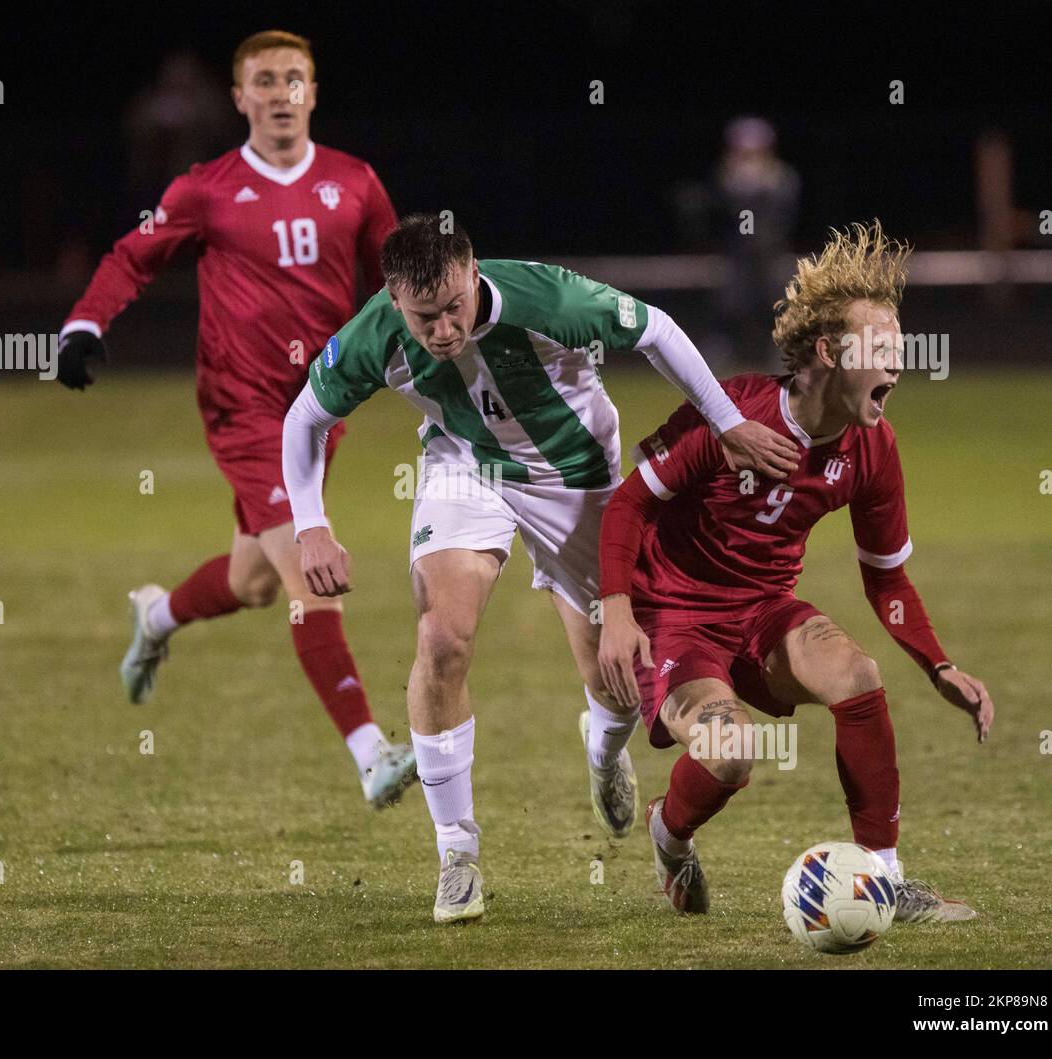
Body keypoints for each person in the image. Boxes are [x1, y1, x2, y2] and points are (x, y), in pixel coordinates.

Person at [282, 213, 800, 922]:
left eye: (454, 307)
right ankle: (456, 853)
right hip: (464, 469)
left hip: (575, 477)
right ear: (395, 300)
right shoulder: (378, 331)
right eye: (423, 316)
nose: (441, 329)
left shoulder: (547, 299)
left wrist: (724, 421)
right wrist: (311, 526)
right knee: (441, 637)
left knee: (614, 675)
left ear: (472, 273)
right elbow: (303, 417)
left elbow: (654, 329)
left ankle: (603, 744)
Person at [596, 222, 995, 922]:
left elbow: (887, 578)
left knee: (858, 674)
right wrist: (618, 611)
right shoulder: (733, 414)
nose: (896, 365)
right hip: (677, 620)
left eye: (899, 348)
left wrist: (938, 664)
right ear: (826, 352)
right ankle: (669, 830)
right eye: (879, 349)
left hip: (764, 614)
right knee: (733, 755)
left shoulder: (873, 447)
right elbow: (629, 503)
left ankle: (884, 878)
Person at [55, 30, 413, 809]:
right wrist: (85, 324)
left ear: (313, 94)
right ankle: (371, 752)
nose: (281, 93)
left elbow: (399, 283)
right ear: (240, 99)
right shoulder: (206, 188)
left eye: (294, 79)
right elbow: (130, 257)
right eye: (265, 81)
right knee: (309, 575)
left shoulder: (355, 183)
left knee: (254, 579)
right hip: (243, 408)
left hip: (319, 408)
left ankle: (157, 616)